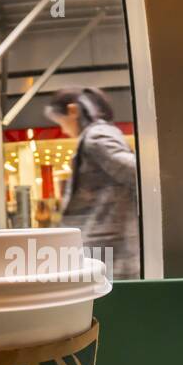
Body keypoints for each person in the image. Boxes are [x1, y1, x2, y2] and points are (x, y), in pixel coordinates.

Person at [45, 87, 140, 279]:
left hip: (109, 249)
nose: (63, 130)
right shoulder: (98, 134)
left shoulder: (96, 137)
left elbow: (138, 172)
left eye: (61, 122)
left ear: (73, 111)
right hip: (110, 248)